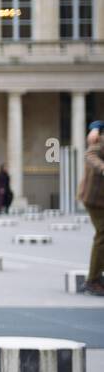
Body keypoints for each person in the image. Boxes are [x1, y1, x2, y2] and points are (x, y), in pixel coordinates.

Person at [78, 120, 104, 296]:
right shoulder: (100, 140)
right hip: (95, 198)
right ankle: (92, 280)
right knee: (102, 235)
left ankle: (94, 278)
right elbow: (90, 154)